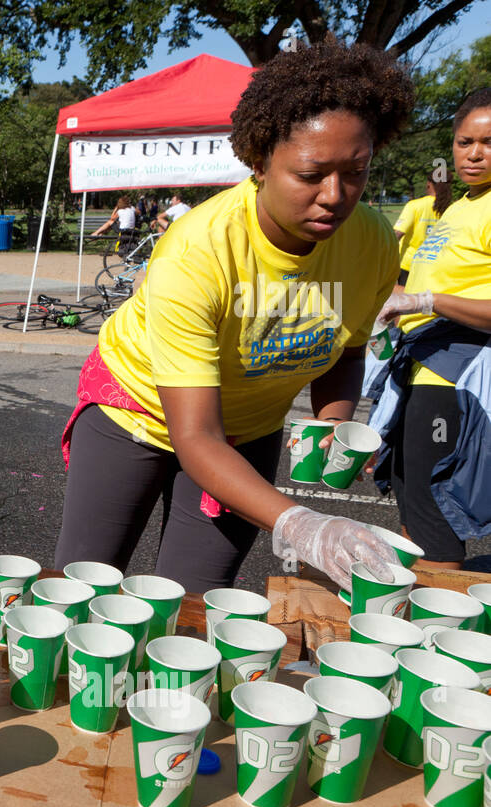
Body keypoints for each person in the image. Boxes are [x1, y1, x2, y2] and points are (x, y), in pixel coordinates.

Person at [54, 41, 413, 593]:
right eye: (311, 173)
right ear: (260, 160)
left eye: (356, 172)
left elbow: (345, 348)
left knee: (194, 598)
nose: (335, 196)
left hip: (248, 430)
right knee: (83, 586)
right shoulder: (199, 250)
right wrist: (300, 522)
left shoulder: (372, 243)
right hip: (137, 414)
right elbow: (196, 435)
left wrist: (336, 422)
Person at [367, 88, 491, 570]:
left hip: (456, 374)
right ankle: (413, 609)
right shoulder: (460, 204)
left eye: (487, 142)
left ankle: (441, 631)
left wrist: (426, 300)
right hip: (420, 362)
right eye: (464, 142)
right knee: (408, 488)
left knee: (434, 503)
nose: (474, 154)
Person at [392, 171, 452, 287]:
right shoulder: (451, 207)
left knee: (408, 301)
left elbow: (398, 234)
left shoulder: (414, 205)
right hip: (436, 265)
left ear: (428, 184)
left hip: (409, 265)